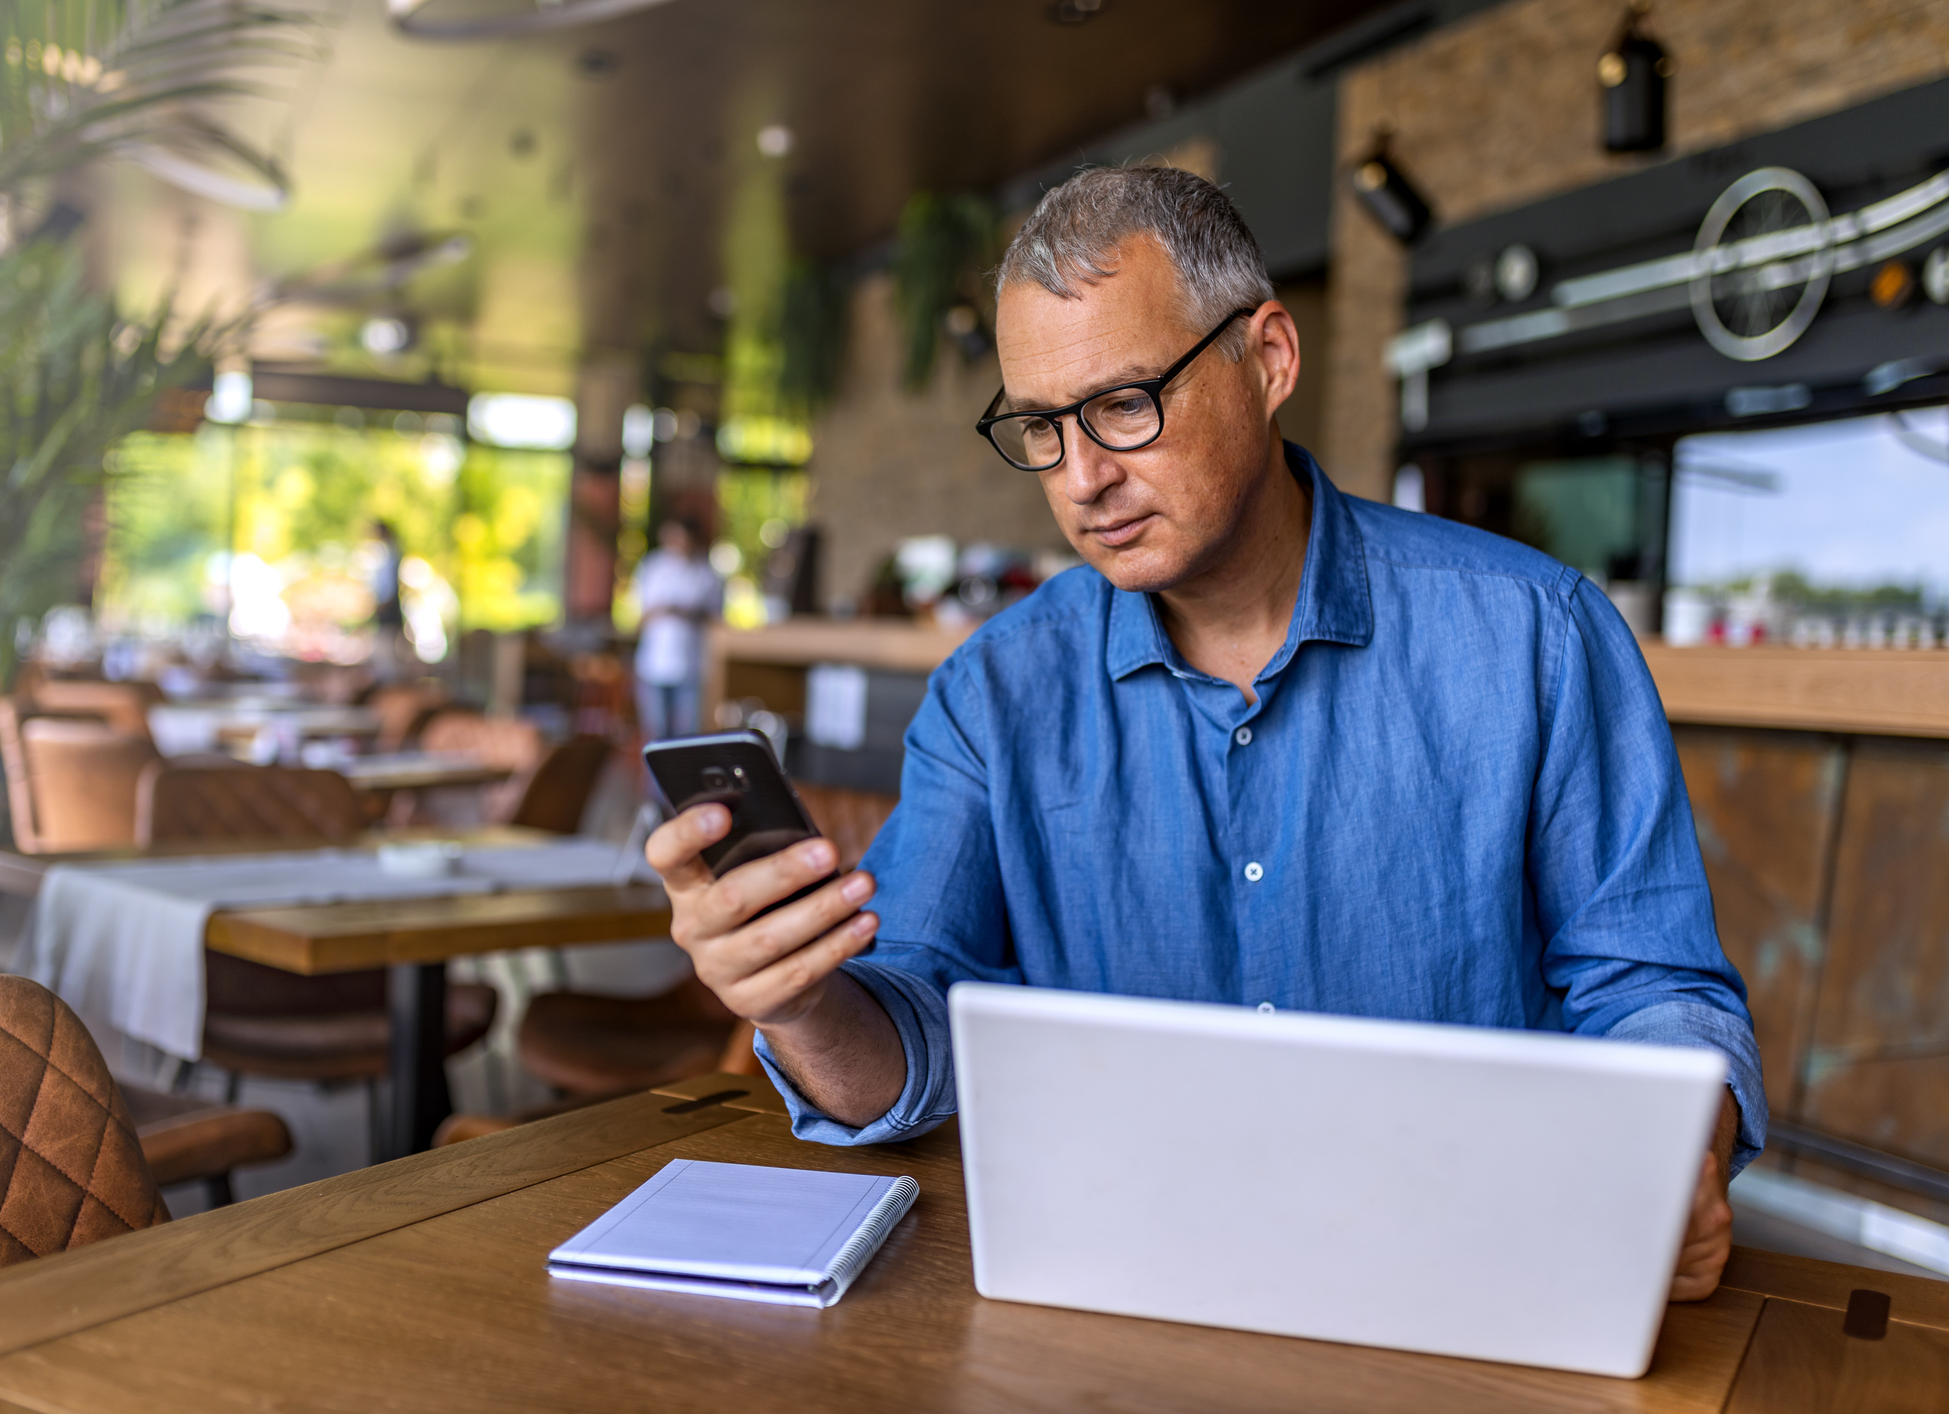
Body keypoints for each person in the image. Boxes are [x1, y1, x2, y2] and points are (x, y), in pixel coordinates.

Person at [644, 167, 1763, 1302]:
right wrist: (793, 1001)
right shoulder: (995, 693)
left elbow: (1656, 992)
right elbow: (910, 1031)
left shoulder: (1535, 635)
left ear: (1268, 359)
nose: (1082, 478)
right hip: (1120, 1292)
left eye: (1126, 403)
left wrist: (1671, 1160)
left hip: (1470, 1280)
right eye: (1041, 426)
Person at [633, 519, 724, 741]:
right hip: (654, 664)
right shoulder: (652, 567)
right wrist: (662, 611)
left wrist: (686, 613)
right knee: (656, 733)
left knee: (687, 735)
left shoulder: (707, 573)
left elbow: (717, 619)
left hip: (691, 666)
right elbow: (638, 615)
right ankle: (652, 777)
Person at [368, 517, 406, 681]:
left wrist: (383, 605)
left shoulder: (391, 555)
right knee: (386, 650)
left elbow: (389, 586)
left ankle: (390, 682)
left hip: (389, 610)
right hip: (387, 608)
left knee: (387, 650)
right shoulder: (386, 554)